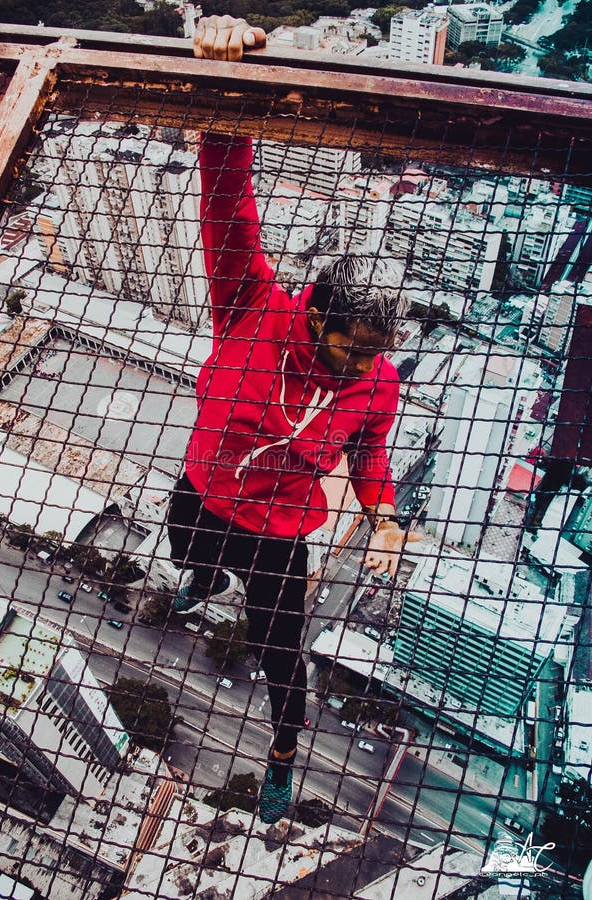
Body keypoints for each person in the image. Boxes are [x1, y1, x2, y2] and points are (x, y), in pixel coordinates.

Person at [167, 14, 421, 825]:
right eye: (352, 349)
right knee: (187, 554)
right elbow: (226, 202)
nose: (363, 365)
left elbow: (369, 459)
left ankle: (280, 756)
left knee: (282, 656)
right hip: (202, 490)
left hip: (279, 532)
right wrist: (226, 79)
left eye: (376, 352)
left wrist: (384, 519)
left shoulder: (378, 384)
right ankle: (201, 578)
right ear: (314, 315)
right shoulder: (253, 304)